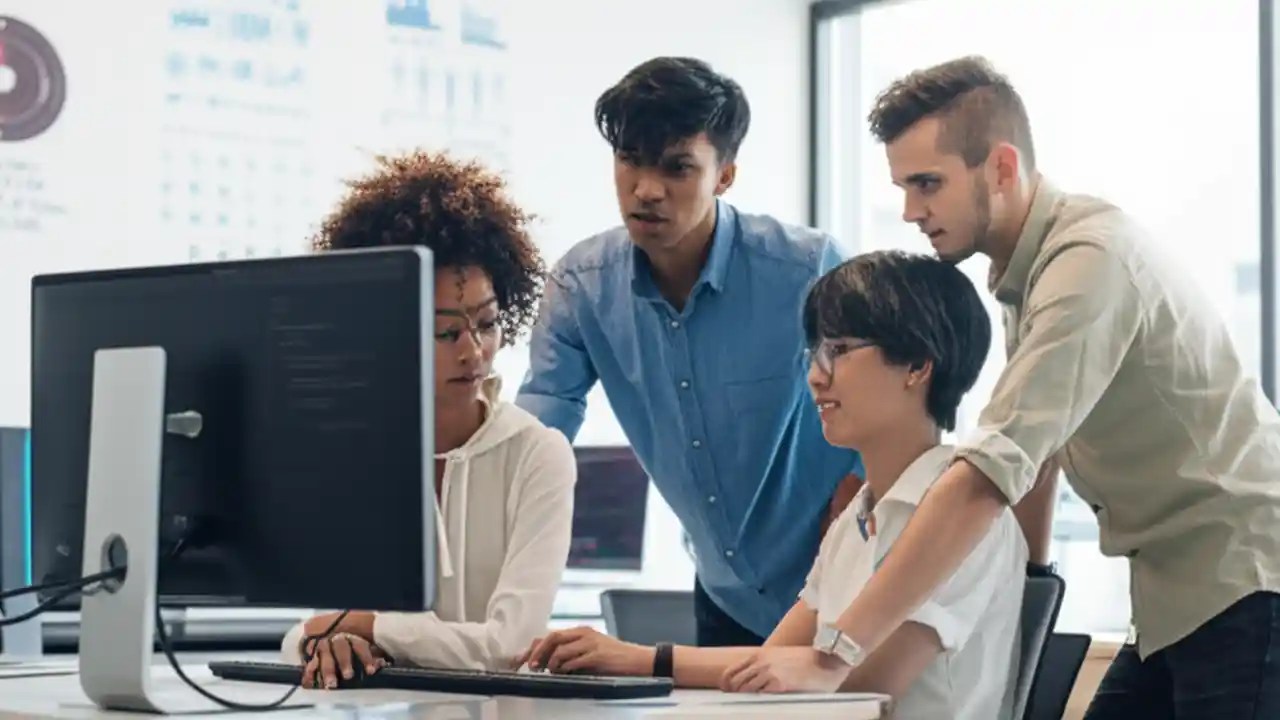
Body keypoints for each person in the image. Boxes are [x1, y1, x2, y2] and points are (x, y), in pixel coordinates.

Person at [738, 55, 1280, 718]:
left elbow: (988, 474)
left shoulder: (1088, 263)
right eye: (904, 187)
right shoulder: (1026, 276)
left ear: (1000, 167)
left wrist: (835, 656)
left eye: (928, 184)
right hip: (1180, 596)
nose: (910, 211)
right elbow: (1039, 456)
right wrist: (1027, 589)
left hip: (1248, 583)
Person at [517, 251, 1026, 719]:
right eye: (814, 354)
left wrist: (645, 660)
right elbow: (775, 661)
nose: (816, 378)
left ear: (917, 366)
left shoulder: (970, 516)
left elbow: (863, 681)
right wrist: (630, 660)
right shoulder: (856, 520)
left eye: (840, 350)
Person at [514, 56, 863, 648]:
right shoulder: (583, 287)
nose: (647, 190)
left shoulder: (807, 267)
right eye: (630, 161)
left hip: (847, 579)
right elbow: (535, 435)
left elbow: (895, 401)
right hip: (724, 597)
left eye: (677, 167)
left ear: (724, 175)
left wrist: (857, 510)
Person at [277, 150, 577, 688]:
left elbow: (507, 647)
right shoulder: (350, 454)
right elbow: (304, 630)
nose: (475, 352)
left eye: (486, 324)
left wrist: (365, 626)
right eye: (446, 333)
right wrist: (325, 640)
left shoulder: (539, 454)